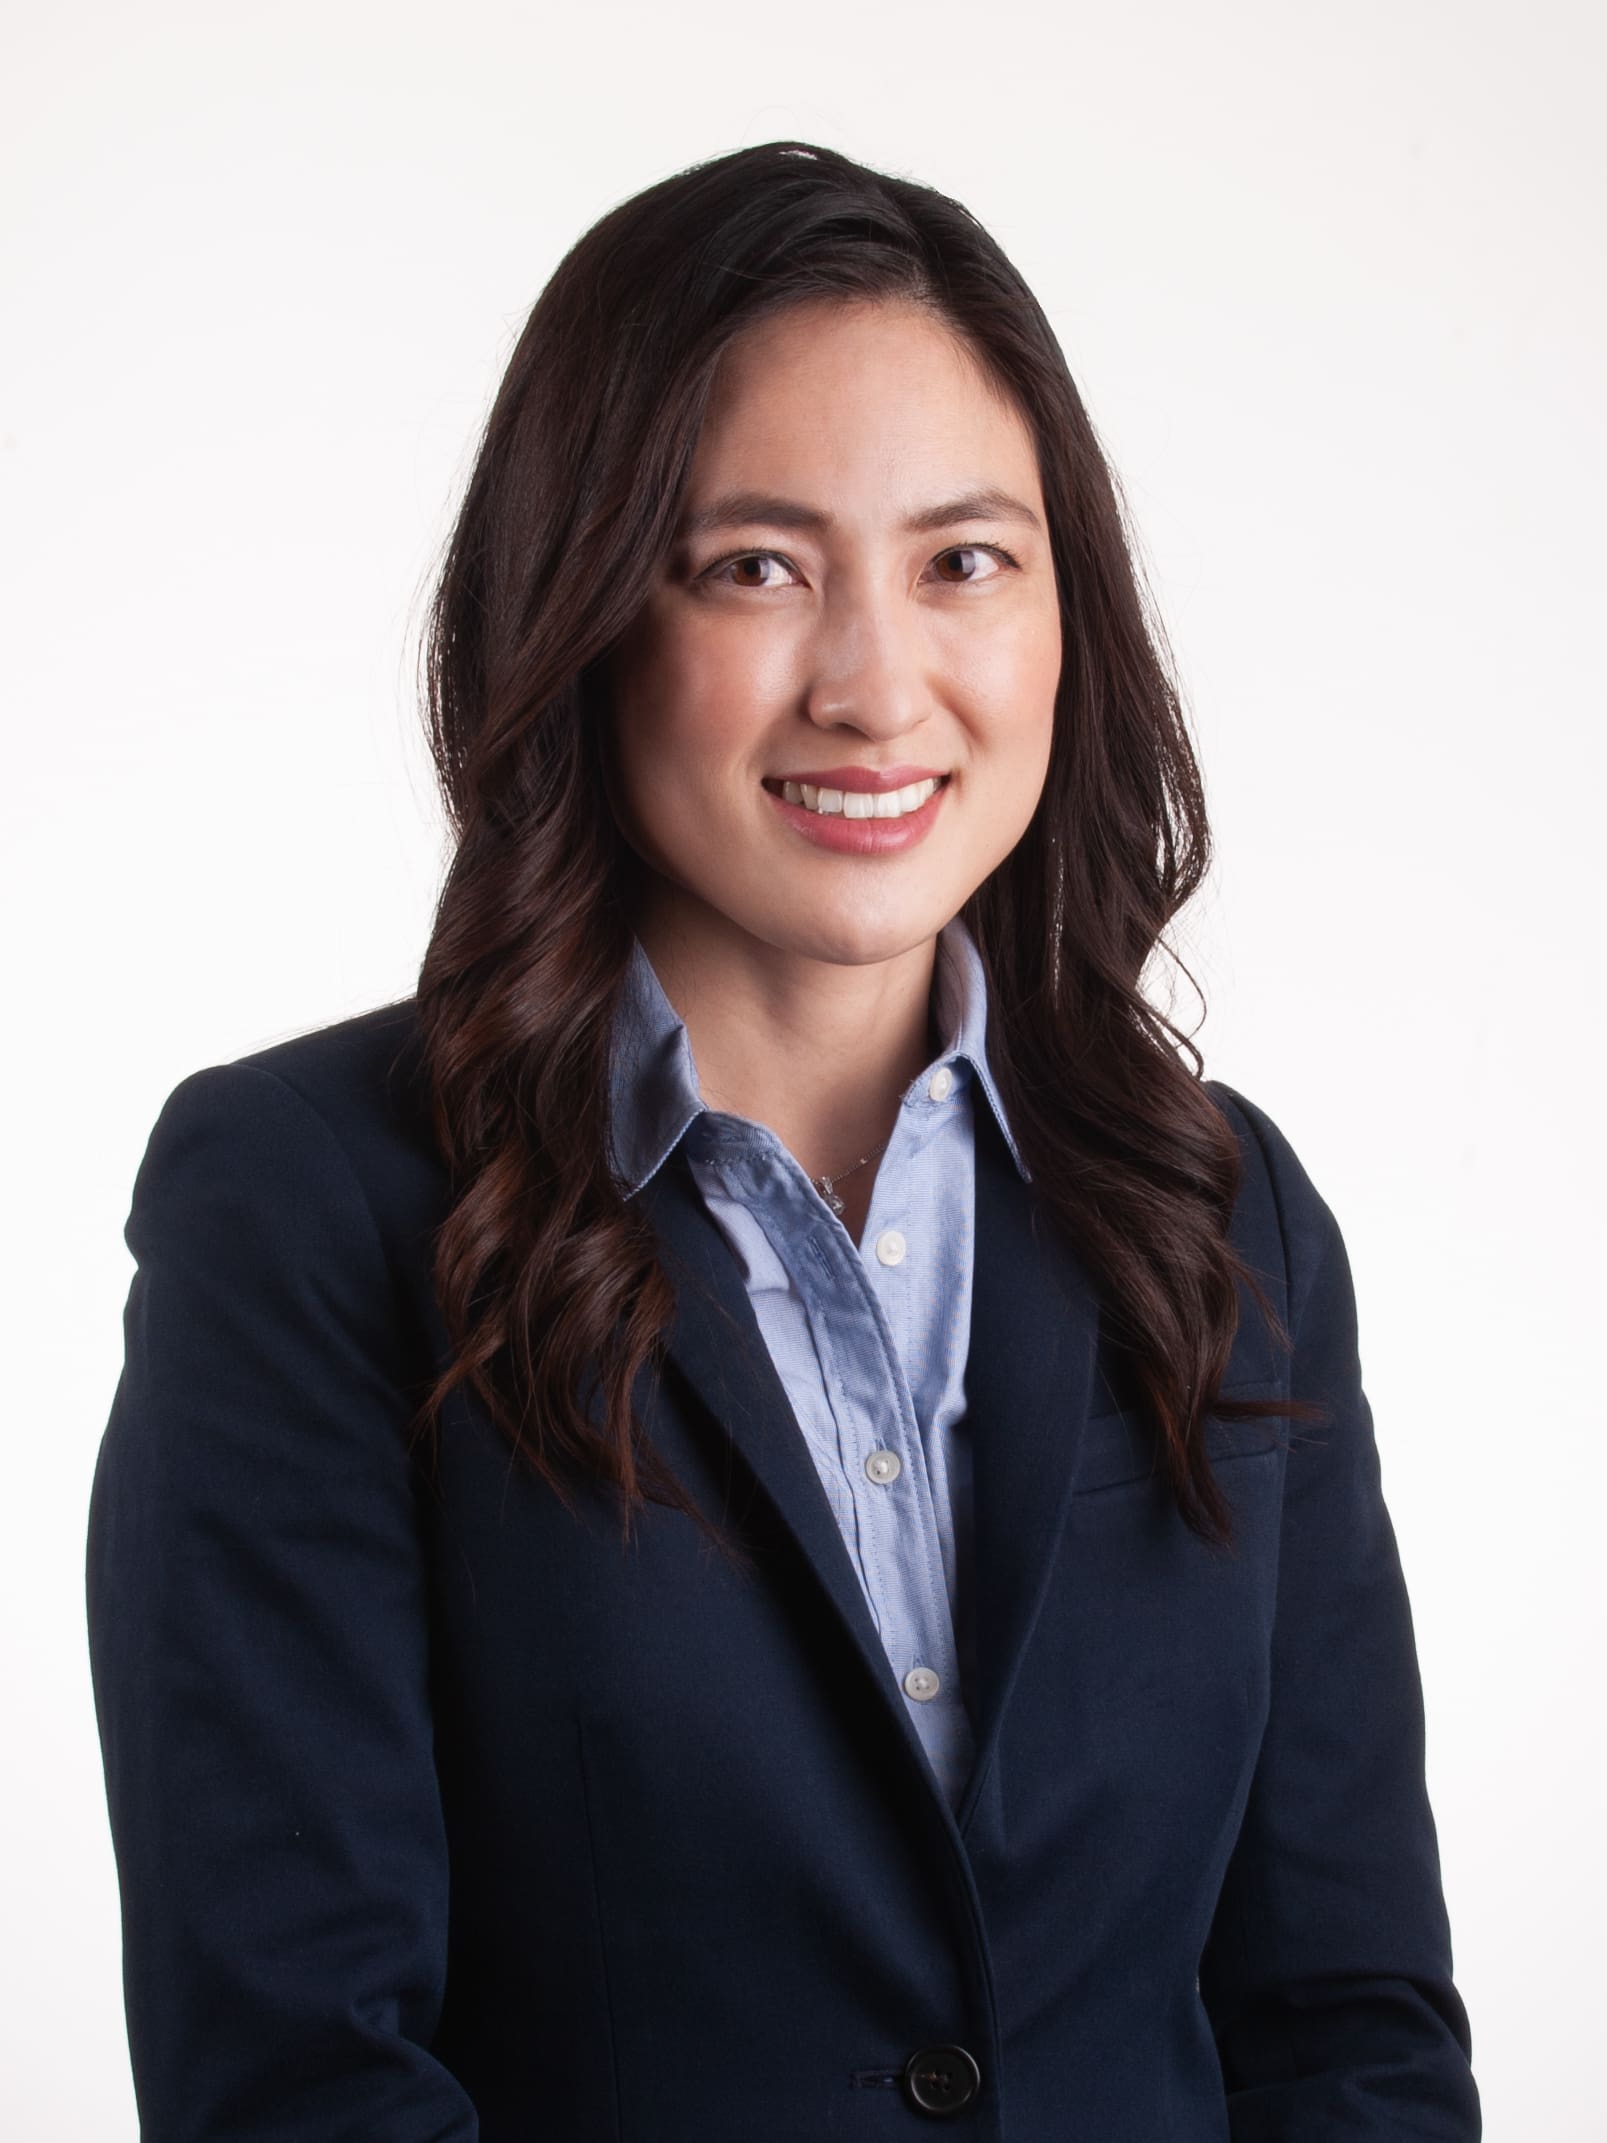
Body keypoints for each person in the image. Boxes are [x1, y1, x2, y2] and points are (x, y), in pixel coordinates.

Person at [86, 140, 1481, 2140]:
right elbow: (298, 2078)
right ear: (582, 611)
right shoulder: (312, 1207)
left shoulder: (1225, 1205)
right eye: (755, 565)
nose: (875, 686)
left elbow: (1351, 2035)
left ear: (1066, 614)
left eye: (963, 562)